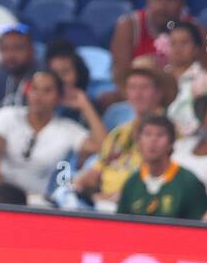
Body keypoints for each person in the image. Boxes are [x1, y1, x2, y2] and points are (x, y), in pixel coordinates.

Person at [0, 69, 104, 202]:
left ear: (58, 98)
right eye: (34, 89)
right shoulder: (6, 115)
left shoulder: (67, 130)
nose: (38, 96)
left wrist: (85, 105)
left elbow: (103, 147)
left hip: (34, 199)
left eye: (47, 91)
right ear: (27, 91)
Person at [68, 62, 174, 208]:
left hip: (142, 205)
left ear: (159, 93)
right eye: (132, 87)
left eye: (144, 87)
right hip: (101, 203)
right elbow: (97, 169)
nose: (137, 94)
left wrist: (116, 197)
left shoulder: (169, 131)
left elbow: (161, 177)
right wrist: (77, 186)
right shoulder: (119, 133)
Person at [109, 0, 207, 91]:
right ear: (148, 0)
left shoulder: (200, 30)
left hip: (184, 91)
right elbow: (121, 76)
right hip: (139, 93)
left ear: (182, 3)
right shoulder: (128, 26)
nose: (163, 6)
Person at [116, 114, 207, 220]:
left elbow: (200, 229)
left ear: (171, 143)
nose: (153, 140)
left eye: (160, 135)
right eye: (147, 134)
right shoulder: (131, 184)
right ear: (139, 142)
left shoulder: (189, 183)